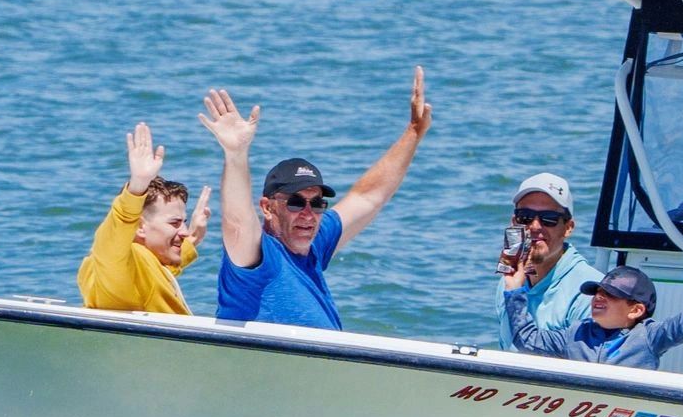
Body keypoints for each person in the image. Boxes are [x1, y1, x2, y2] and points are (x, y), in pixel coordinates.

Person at [199, 69, 433, 330]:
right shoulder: (256, 255)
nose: (308, 214)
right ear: (267, 207)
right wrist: (235, 153)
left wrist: (413, 132)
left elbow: (368, 197)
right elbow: (237, 223)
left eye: (318, 203)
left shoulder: (315, 244)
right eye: (296, 203)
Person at [504, 241, 683, 370]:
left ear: (636, 310)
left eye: (611, 295)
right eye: (598, 292)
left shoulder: (650, 336)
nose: (598, 298)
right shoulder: (574, 334)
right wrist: (515, 289)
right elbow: (527, 339)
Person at [77, 121, 211, 314]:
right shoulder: (116, 264)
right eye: (175, 223)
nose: (183, 231)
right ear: (140, 226)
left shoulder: (148, 265)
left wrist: (194, 238)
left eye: (184, 222)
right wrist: (137, 185)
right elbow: (115, 233)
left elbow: (159, 274)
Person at [497, 172, 604, 338]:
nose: (535, 226)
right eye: (525, 217)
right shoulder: (508, 281)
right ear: (514, 223)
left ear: (568, 227)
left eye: (549, 218)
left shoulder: (591, 292)